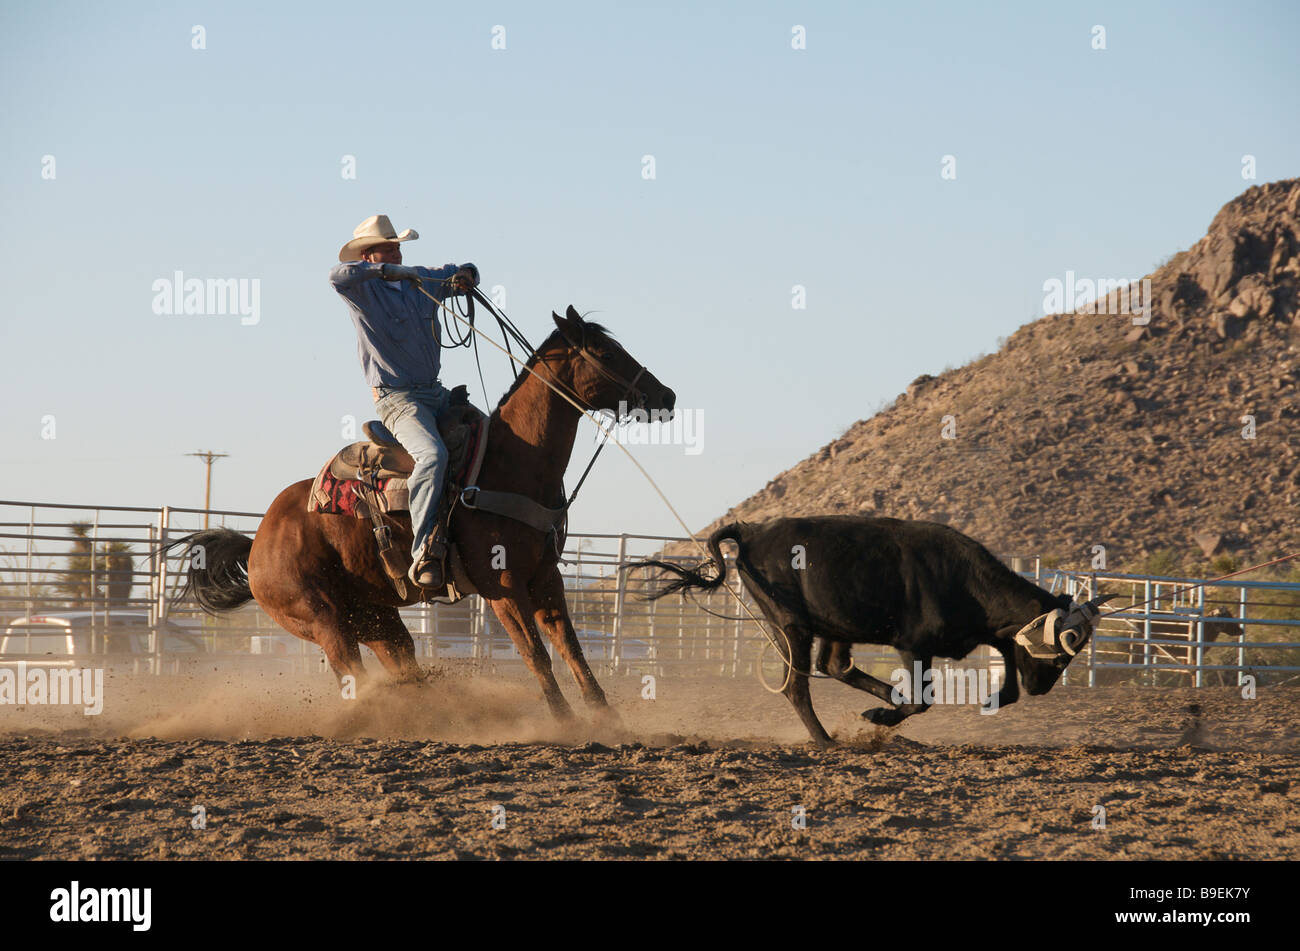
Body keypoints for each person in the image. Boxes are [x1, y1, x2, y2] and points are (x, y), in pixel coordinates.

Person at [328, 214, 479, 590]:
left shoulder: (420, 279)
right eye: (389, 247)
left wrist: (466, 277)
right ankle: (424, 550)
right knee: (432, 456)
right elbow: (336, 276)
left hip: (435, 391)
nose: (397, 252)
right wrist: (385, 274)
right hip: (397, 400)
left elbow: (466, 269)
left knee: (493, 436)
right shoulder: (361, 288)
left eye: (398, 246)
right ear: (368, 256)